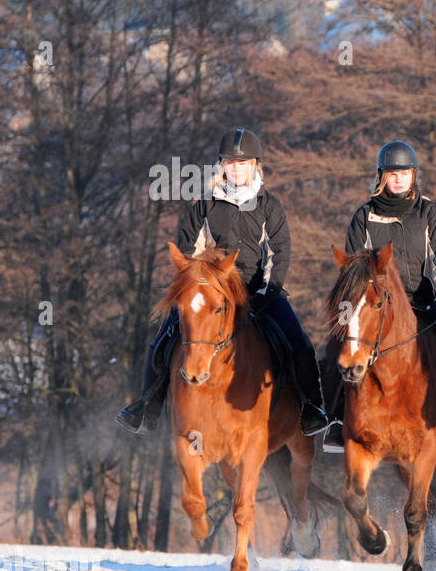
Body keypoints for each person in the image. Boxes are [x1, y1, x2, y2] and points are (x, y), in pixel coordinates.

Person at [117, 127, 330, 436]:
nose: (235, 168)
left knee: (299, 342)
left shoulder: (270, 206)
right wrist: (201, 283)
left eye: (242, 163)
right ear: (221, 166)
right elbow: (187, 250)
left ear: (255, 165)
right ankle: (147, 407)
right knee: (162, 339)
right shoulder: (205, 205)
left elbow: (279, 251)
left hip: (257, 291)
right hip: (210, 290)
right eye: (230, 162)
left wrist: (268, 291)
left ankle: (312, 408)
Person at [321, 140, 436, 453]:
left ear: (414, 175)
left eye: (405, 173)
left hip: (425, 301)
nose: (399, 178)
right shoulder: (364, 216)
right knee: (337, 342)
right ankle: (336, 419)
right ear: (382, 176)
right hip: (376, 305)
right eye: (393, 173)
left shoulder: (430, 213)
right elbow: (354, 268)